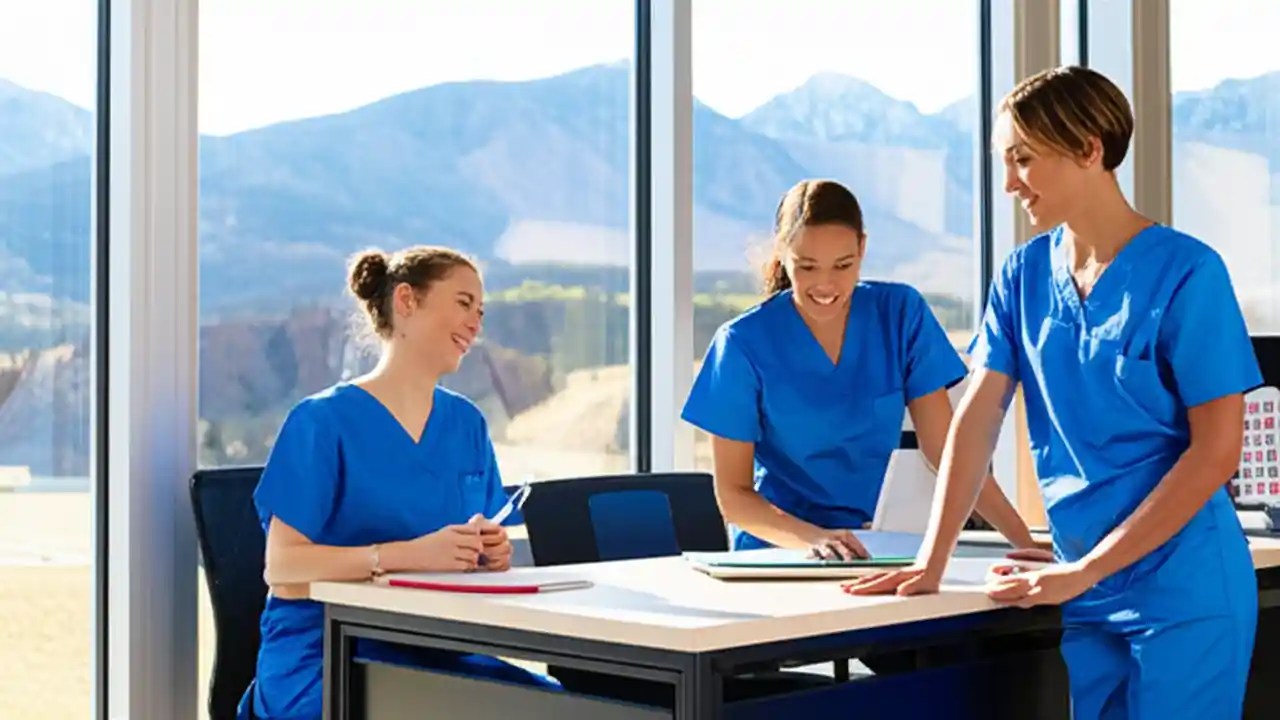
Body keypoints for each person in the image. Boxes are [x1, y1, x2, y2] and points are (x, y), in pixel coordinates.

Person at [847, 65, 1261, 719]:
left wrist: (1087, 568)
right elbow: (977, 419)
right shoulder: (1023, 275)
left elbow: (1216, 453)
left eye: (1023, 159)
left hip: (1184, 590)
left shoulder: (1189, 273)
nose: (1009, 181)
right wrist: (932, 558)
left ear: (1089, 148)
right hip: (1081, 589)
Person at [238, 246, 556, 720]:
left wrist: (489, 553)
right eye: (464, 303)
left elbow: (478, 540)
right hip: (323, 655)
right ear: (407, 300)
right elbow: (282, 568)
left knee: (561, 706)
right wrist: (406, 554)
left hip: (431, 649)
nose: (476, 323)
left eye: (482, 311)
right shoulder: (322, 422)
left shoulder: (466, 424)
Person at [681, 178, 1040, 559]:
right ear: (783, 254)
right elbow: (734, 497)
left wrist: (1025, 543)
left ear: (863, 248)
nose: (825, 284)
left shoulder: (900, 314)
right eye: (807, 266)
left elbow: (948, 451)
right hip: (780, 553)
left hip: (878, 546)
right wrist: (815, 540)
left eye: (842, 265)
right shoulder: (740, 344)